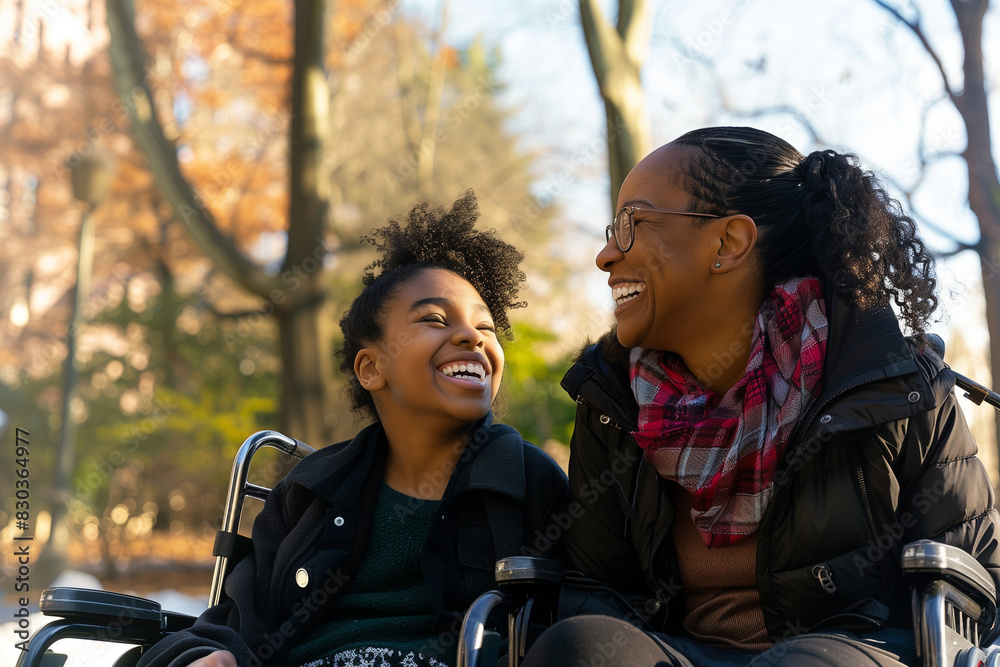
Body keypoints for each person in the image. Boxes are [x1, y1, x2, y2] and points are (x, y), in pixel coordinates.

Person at [522, 127, 1000, 666]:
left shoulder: (892, 382)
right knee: (577, 649)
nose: (606, 255)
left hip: (857, 652)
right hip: (679, 655)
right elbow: (600, 591)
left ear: (727, 244)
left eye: (633, 224)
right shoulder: (611, 399)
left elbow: (972, 584)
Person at [137, 191, 570, 667]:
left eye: (486, 328)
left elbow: (574, 623)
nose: (471, 336)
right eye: (434, 319)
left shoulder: (531, 482)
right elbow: (233, 622)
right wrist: (202, 657)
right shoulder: (310, 490)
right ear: (371, 369)